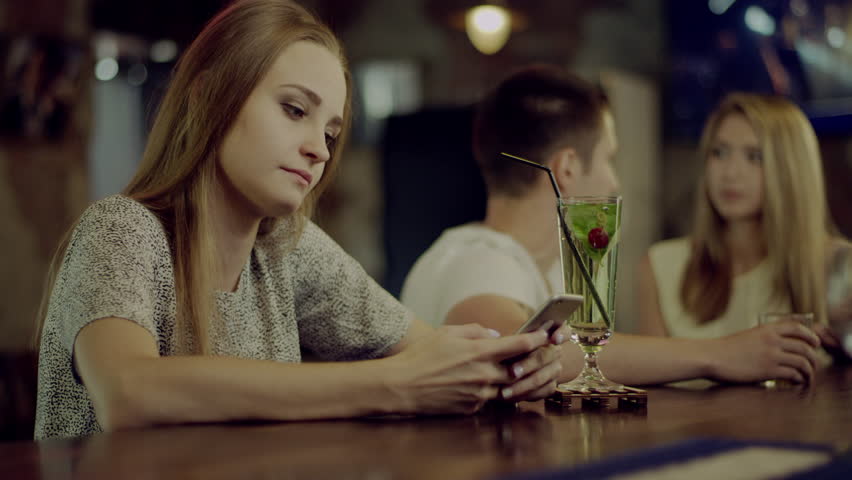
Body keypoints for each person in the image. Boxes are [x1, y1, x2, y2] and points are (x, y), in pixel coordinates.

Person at [33, 0, 565, 440]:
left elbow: (429, 353)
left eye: (331, 134)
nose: (319, 150)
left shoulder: (286, 248)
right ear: (208, 98)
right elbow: (130, 393)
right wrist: (392, 385)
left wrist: (511, 367)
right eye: (294, 110)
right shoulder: (121, 230)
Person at [401, 66, 825, 388]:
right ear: (566, 168)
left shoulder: (541, 269)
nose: (614, 181)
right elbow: (522, 352)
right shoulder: (478, 259)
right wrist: (721, 354)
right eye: (608, 158)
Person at [639, 93, 850, 357]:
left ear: (791, 169)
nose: (730, 173)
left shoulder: (840, 267)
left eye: (754, 156)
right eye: (720, 152)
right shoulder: (661, 267)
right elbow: (653, 393)